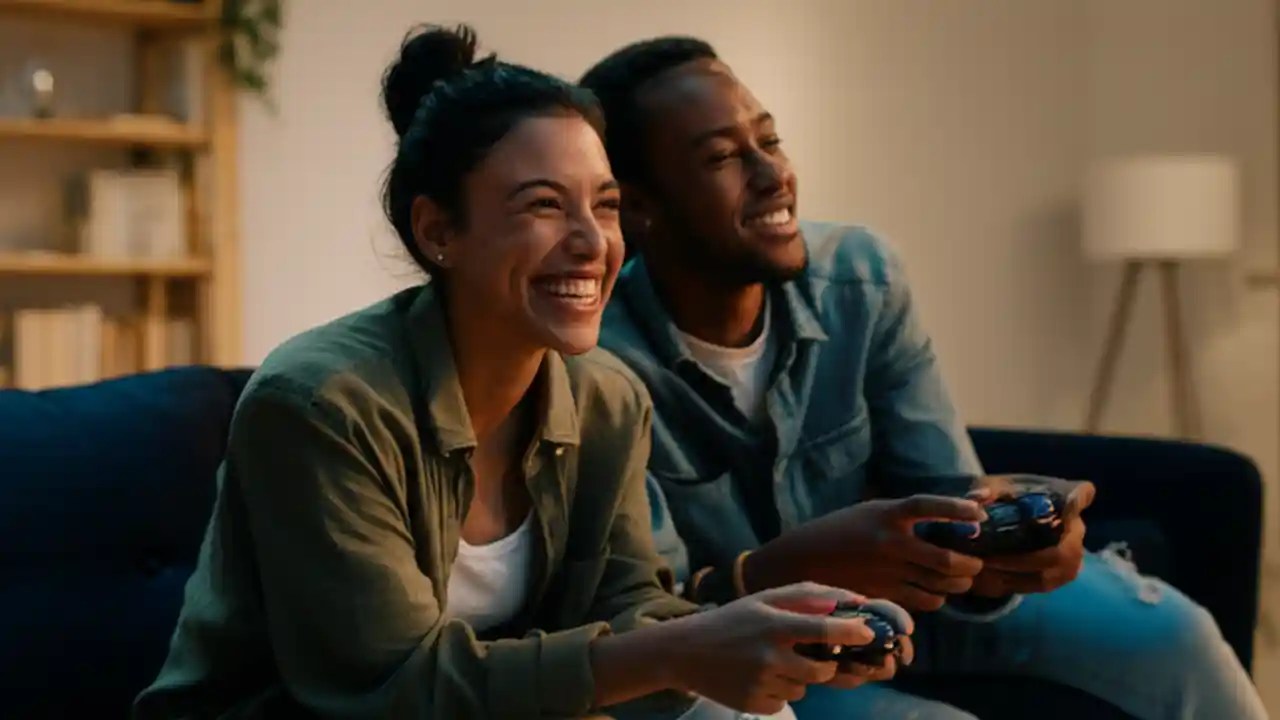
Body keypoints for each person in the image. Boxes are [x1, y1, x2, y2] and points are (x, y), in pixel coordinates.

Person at [129, 25, 909, 720]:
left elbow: (628, 602)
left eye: (603, 207)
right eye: (543, 206)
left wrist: (764, 627)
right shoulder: (323, 405)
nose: (590, 243)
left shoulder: (606, 397)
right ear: (439, 231)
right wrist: (677, 654)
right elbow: (385, 690)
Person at [579, 36, 1269, 720]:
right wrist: (791, 568)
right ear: (639, 207)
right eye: (724, 158)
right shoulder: (599, 364)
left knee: (1175, 633)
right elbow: (652, 615)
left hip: (911, 606)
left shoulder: (860, 278)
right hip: (751, 642)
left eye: (770, 140)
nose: (773, 174)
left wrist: (1004, 547)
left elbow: (944, 487)